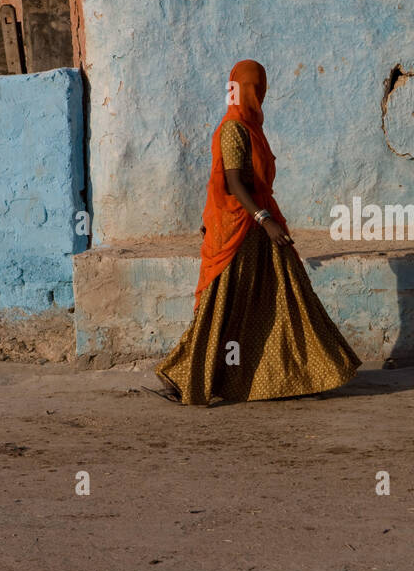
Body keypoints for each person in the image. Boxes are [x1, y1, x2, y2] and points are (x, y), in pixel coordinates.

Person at [154, 59, 360, 405]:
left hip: (254, 230)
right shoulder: (234, 128)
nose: (259, 94)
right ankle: (184, 374)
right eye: (257, 87)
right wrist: (265, 220)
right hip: (238, 229)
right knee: (223, 307)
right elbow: (233, 183)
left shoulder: (251, 127)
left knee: (283, 299)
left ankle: (301, 373)